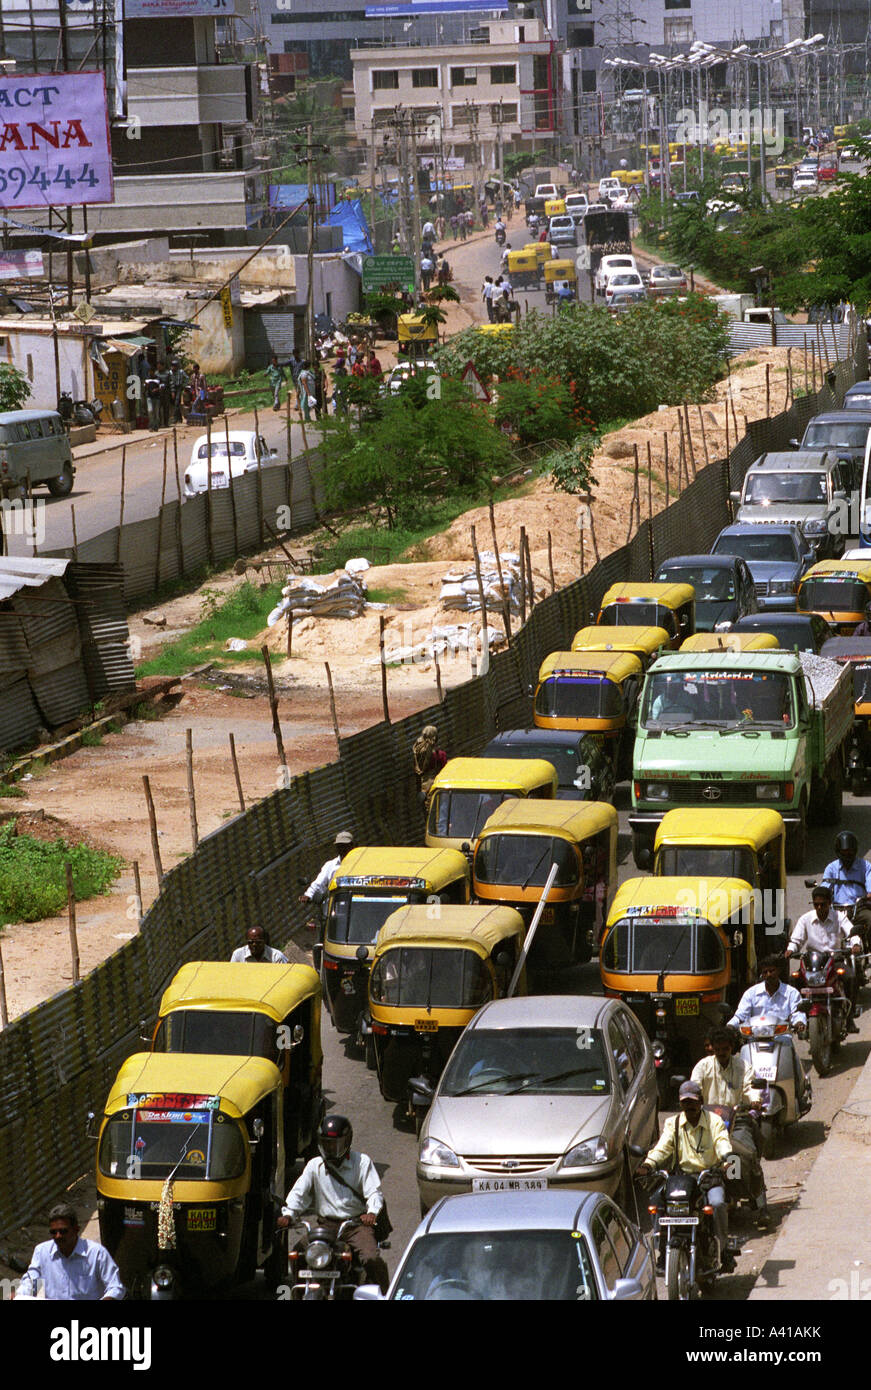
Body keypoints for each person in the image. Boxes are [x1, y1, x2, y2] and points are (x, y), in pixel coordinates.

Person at [278, 1114, 389, 1294]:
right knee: (297, 1254)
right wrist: (289, 1214)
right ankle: (299, 1293)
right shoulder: (315, 1166)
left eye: (335, 1143)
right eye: (326, 1143)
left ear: (347, 1142)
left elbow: (374, 1193)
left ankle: (386, 1294)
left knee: (371, 1258)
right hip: (326, 1226)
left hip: (355, 1225)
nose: (330, 1148)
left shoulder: (361, 1162)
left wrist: (372, 1213)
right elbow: (299, 1193)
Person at [637, 1080, 735, 1271]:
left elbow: (722, 1141)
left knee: (717, 1203)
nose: (689, 1106)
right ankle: (662, 1250)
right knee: (656, 1203)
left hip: (709, 1176)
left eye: (693, 1101)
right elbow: (662, 1148)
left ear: (701, 1101)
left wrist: (727, 1159)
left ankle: (723, 1249)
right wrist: (648, 1165)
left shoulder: (714, 1121)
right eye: (684, 1102)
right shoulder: (672, 1123)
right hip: (682, 1179)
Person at [692, 1025, 769, 1227]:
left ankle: (761, 1206)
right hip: (708, 1121)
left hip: (738, 1119)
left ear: (731, 1048)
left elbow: (751, 1087)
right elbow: (694, 1087)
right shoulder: (703, 1067)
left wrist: (754, 1100)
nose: (721, 1054)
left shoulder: (744, 1066)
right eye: (717, 1050)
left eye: (724, 1049)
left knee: (747, 1154)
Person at [727, 954, 811, 1110]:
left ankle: (800, 1095)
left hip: (782, 1040)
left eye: (771, 971)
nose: (768, 975)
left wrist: (799, 1022)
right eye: (765, 972)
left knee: (795, 1062)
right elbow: (740, 1015)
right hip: (754, 1041)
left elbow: (797, 1012)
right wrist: (730, 1026)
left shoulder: (791, 993)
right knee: (741, 1069)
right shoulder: (751, 993)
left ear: (778, 971)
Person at [786, 882, 862, 1028]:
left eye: (823, 904)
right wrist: (791, 949)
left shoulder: (839, 917)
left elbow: (852, 933)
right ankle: (797, 1017)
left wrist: (856, 944)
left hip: (834, 960)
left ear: (830, 903)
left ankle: (849, 1017)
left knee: (851, 977)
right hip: (812, 962)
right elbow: (796, 939)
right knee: (794, 980)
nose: (819, 908)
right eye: (816, 904)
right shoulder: (805, 919)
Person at [16, 1204, 125, 1300]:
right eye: (53, 1232)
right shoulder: (42, 1252)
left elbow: (115, 1287)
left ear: (76, 1229)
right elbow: (31, 1283)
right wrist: (20, 1295)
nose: (58, 1236)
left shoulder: (96, 1253)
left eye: (63, 1231)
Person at [820, 830, 871, 944]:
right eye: (844, 852)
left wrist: (869, 895)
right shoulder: (831, 868)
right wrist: (821, 896)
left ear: (855, 850)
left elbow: (870, 884)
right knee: (820, 925)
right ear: (838, 851)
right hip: (837, 910)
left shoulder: (865, 866)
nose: (847, 854)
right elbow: (824, 888)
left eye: (850, 851)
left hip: (859, 909)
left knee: (870, 919)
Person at [299, 830, 355, 917]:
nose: (342, 849)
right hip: (333, 912)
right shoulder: (330, 866)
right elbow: (319, 883)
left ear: (352, 846)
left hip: (355, 910)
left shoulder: (359, 864)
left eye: (345, 846)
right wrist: (308, 895)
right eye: (340, 846)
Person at [413, 724, 447, 800]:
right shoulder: (440, 755)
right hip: (436, 790)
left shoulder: (418, 754)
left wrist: (419, 791)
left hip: (423, 792)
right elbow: (444, 773)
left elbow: (417, 773)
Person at [169, 357, 188, 424]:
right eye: (172, 366)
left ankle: (175, 418)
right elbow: (170, 381)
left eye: (174, 366)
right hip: (172, 388)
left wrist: (184, 385)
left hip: (179, 387)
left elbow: (186, 378)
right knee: (175, 404)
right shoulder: (170, 373)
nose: (173, 368)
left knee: (177, 402)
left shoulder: (181, 372)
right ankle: (179, 418)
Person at [144, 362, 162, 431]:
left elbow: (161, 387)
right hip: (149, 397)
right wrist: (146, 386)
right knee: (150, 411)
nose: (150, 373)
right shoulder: (147, 379)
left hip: (156, 397)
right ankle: (151, 426)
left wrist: (156, 389)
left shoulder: (158, 379)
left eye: (152, 371)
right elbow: (145, 388)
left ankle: (156, 426)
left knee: (156, 413)